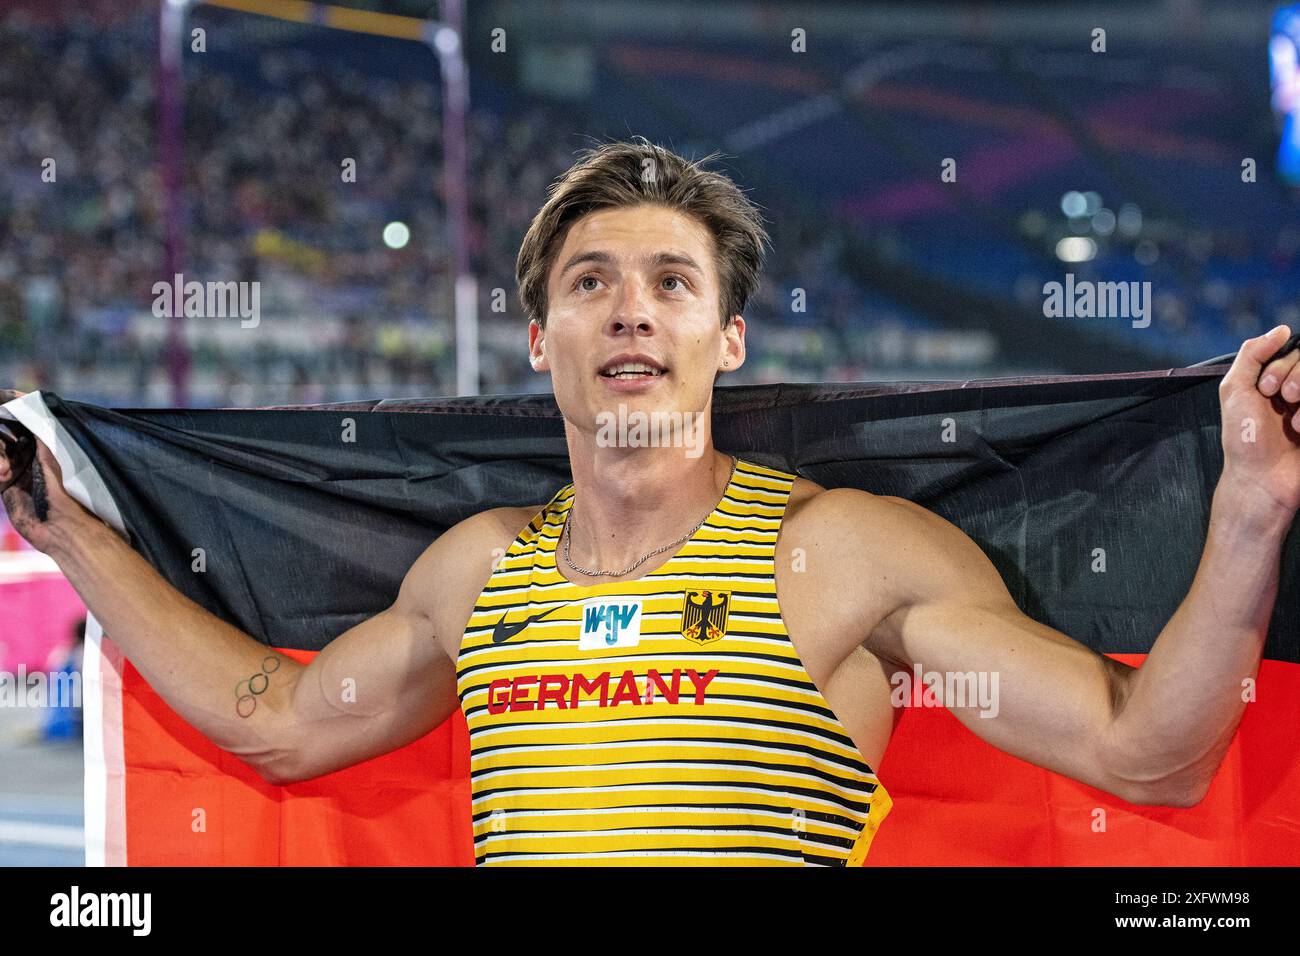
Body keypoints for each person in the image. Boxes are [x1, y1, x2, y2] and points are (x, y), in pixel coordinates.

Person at [2, 139, 1298, 866]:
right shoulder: (476, 571)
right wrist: (65, 531)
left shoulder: (838, 557)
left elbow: (1150, 758)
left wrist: (1247, 507)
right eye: (592, 282)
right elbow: (278, 724)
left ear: (727, 338)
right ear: (537, 337)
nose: (631, 307)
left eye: (673, 283)